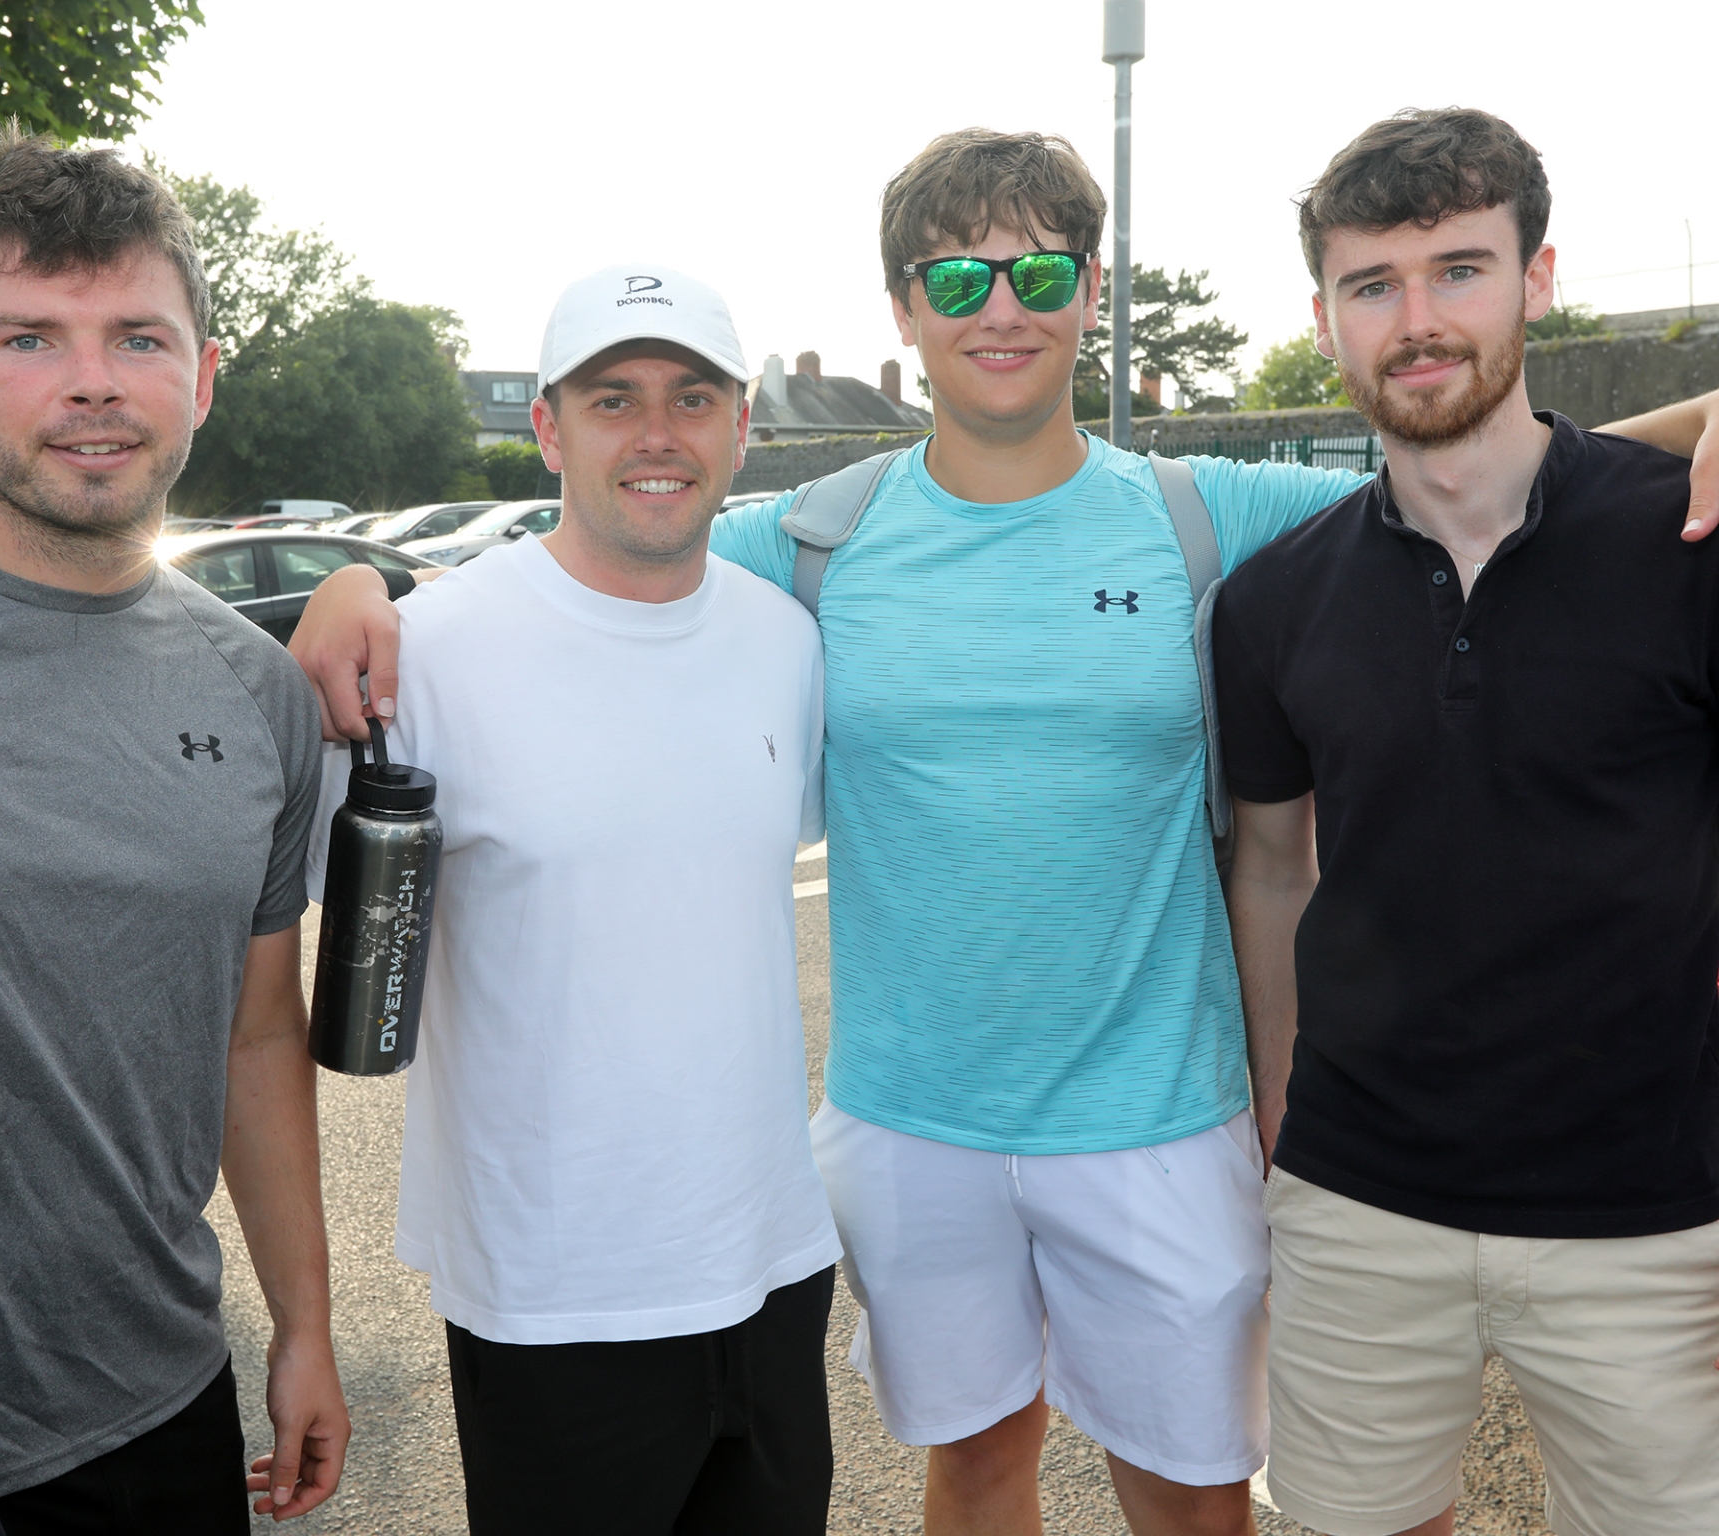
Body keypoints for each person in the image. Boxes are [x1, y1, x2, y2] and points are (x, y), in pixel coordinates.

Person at [287, 130, 1719, 1536]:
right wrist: (366, 586)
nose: (1004, 310)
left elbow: (1490, 465)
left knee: (1190, 1493)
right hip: (911, 1127)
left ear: (1093, 293)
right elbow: (584, 556)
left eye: (1039, 273)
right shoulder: (808, 539)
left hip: (1159, 1117)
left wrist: (1708, 417)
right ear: (904, 314)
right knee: (975, 1474)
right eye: (957, 281)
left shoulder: (1205, 512)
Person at [0, 127, 348, 1534]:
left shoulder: (254, 691)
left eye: (139, 338)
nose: (94, 381)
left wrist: (302, 1325)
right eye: (30, 336)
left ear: (204, 378)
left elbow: (254, 1034)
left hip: (161, 1411)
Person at [1216, 107, 1719, 1536]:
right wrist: (1278, 1105)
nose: (1417, 319)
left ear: (1537, 278)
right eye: (1373, 284)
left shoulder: (1685, 541)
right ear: (1325, 313)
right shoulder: (1272, 602)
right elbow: (1268, 865)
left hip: (1653, 1208)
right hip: (1360, 1201)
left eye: (1459, 269)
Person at [303, 264, 840, 1534]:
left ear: (743, 423)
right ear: (547, 428)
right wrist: (345, 586)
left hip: (772, 1266)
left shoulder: (784, 639)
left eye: (694, 398)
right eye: (613, 399)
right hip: (553, 1295)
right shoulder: (425, 650)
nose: (658, 434)